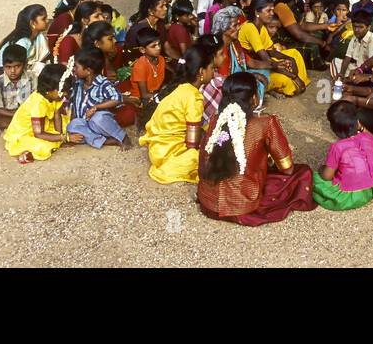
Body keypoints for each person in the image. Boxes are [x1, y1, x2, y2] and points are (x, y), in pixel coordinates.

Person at [198, 72, 315, 226]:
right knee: (303, 172)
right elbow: (287, 168)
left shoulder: (214, 121)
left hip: (208, 203)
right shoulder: (265, 123)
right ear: (254, 98)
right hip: (242, 205)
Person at [140, 45, 217, 184]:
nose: (214, 72)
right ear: (201, 71)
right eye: (212, 68)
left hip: (158, 147)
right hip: (167, 152)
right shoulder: (194, 96)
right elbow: (192, 143)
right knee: (206, 158)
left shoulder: (182, 88)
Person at [313, 100, 373, 211]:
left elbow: (327, 176)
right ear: (357, 121)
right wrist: (361, 128)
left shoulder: (337, 147)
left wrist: (322, 169)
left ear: (333, 128)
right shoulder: (367, 138)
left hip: (349, 197)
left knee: (315, 178)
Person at [4, 64, 79, 163]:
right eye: (62, 91)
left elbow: (57, 116)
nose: (65, 94)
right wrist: (65, 138)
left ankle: (57, 141)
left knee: (66, 124)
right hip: (25, 134)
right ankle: (27, 153)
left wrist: (60, 138)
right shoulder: (38, 103)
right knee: (43, 147)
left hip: (44, 126)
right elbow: (38, 134)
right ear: (49, 90)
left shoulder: (55, 97)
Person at [62, 46, 133, 149]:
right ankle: (107, 141)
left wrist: (96, 107)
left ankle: (123, 137)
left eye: (76, 67)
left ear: (88, 71)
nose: (74, 69)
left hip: (99, 125)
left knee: (98, 118)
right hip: (84, 124)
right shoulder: (77, 84)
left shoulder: (103, 83)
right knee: (72, 126)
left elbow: (117, 98)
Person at [238, 0, 308, 96]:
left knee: (294, 53)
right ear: (257, 12)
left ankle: (299, 82)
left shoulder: (261, 27)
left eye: (272, 10)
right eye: (268, 11)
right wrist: (293, 76)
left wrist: (289, 59)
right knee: (284, 78)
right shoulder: (250, 28)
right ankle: (294, 83)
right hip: (253, 66)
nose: (272, 13)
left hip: (262, 61)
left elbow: (270, 50)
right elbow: (266, 59)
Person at [211, 4, 270, 101]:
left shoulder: (234, 43)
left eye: (239, 24)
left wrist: (275, 65)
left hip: (235, 77)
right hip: (226, 84)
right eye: (235, 25)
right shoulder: (219, 51)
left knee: (265, 72)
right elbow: (225, 80)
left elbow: (251, 62)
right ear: (223, 28)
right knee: (252, 83)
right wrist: (252, 76)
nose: (239, 28)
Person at [0, 44, 45, 130]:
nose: (12, 71)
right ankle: (21, 127)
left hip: (28, 114)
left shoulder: (32, 78)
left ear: (25, 64)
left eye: (17, 66)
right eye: (8, 67)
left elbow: (38, 99)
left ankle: (19, 127)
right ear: (3, 66)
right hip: (9, 115)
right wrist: (18, 114)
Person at [53, 0, 106, 64]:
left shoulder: (97, 38)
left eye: (102, 16)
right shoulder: (69, 41)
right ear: (84, 21)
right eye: (97, 16)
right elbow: (64, 70)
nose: (102, 19)